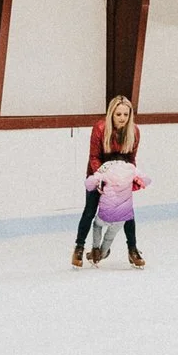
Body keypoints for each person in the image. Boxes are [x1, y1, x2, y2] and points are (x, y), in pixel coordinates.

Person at [72, 96, 140, 268]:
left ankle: (133, 250)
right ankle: (79, 248)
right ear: (111, 114)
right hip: (98, 173)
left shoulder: (134, 131)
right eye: (118, 114)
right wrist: (101, 178)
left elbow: (131, 158)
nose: (122, 118)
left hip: (120, 177)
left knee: (127, 213)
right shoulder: (100, 128)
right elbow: (94, 156)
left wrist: (130, 176)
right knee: (90, 210)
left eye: (126, 114)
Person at [84, 157, 150, 267]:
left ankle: (95, 250)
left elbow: (89, 183)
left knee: (97, 225)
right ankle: (103, 253)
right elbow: (147, 180)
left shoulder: (106, 167)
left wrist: (97, 185)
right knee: (110, 235)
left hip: (106, 212)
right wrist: (135, 184)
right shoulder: (131, 168)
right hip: (122, 216)